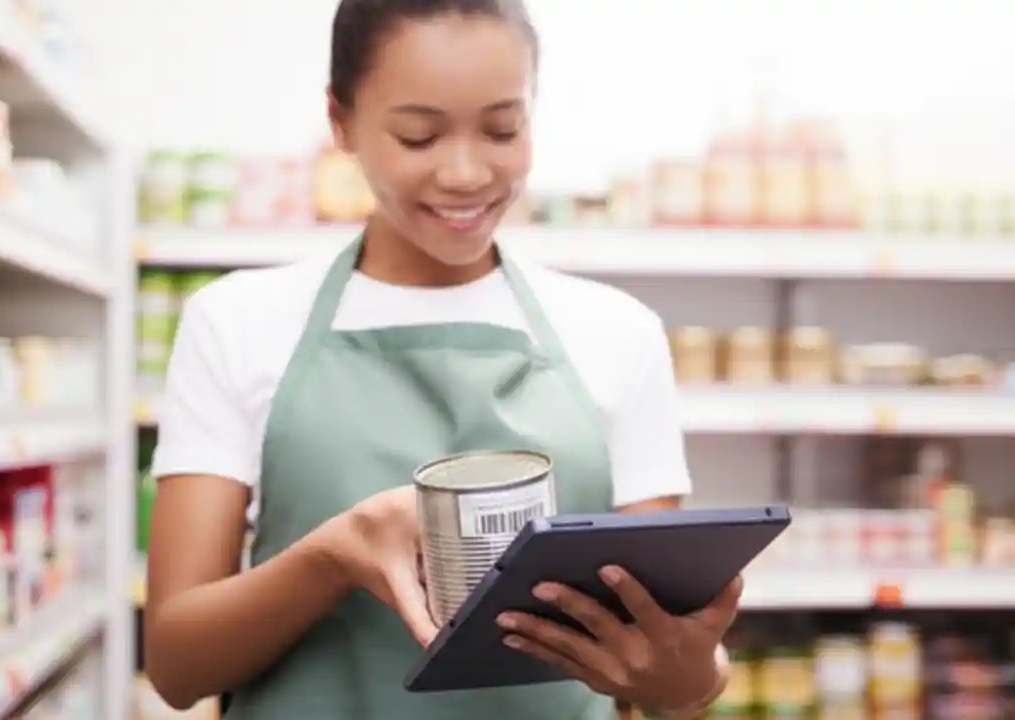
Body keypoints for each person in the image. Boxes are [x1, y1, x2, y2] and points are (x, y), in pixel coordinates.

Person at [143, 1, 742, 718]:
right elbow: (176, 667)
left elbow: (675, 690)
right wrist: (334, 556)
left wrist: (687, 671)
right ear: (341, 123)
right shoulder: (239, 322)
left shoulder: (617, 332)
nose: (465, 173)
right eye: (418, 135)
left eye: (502, 130)